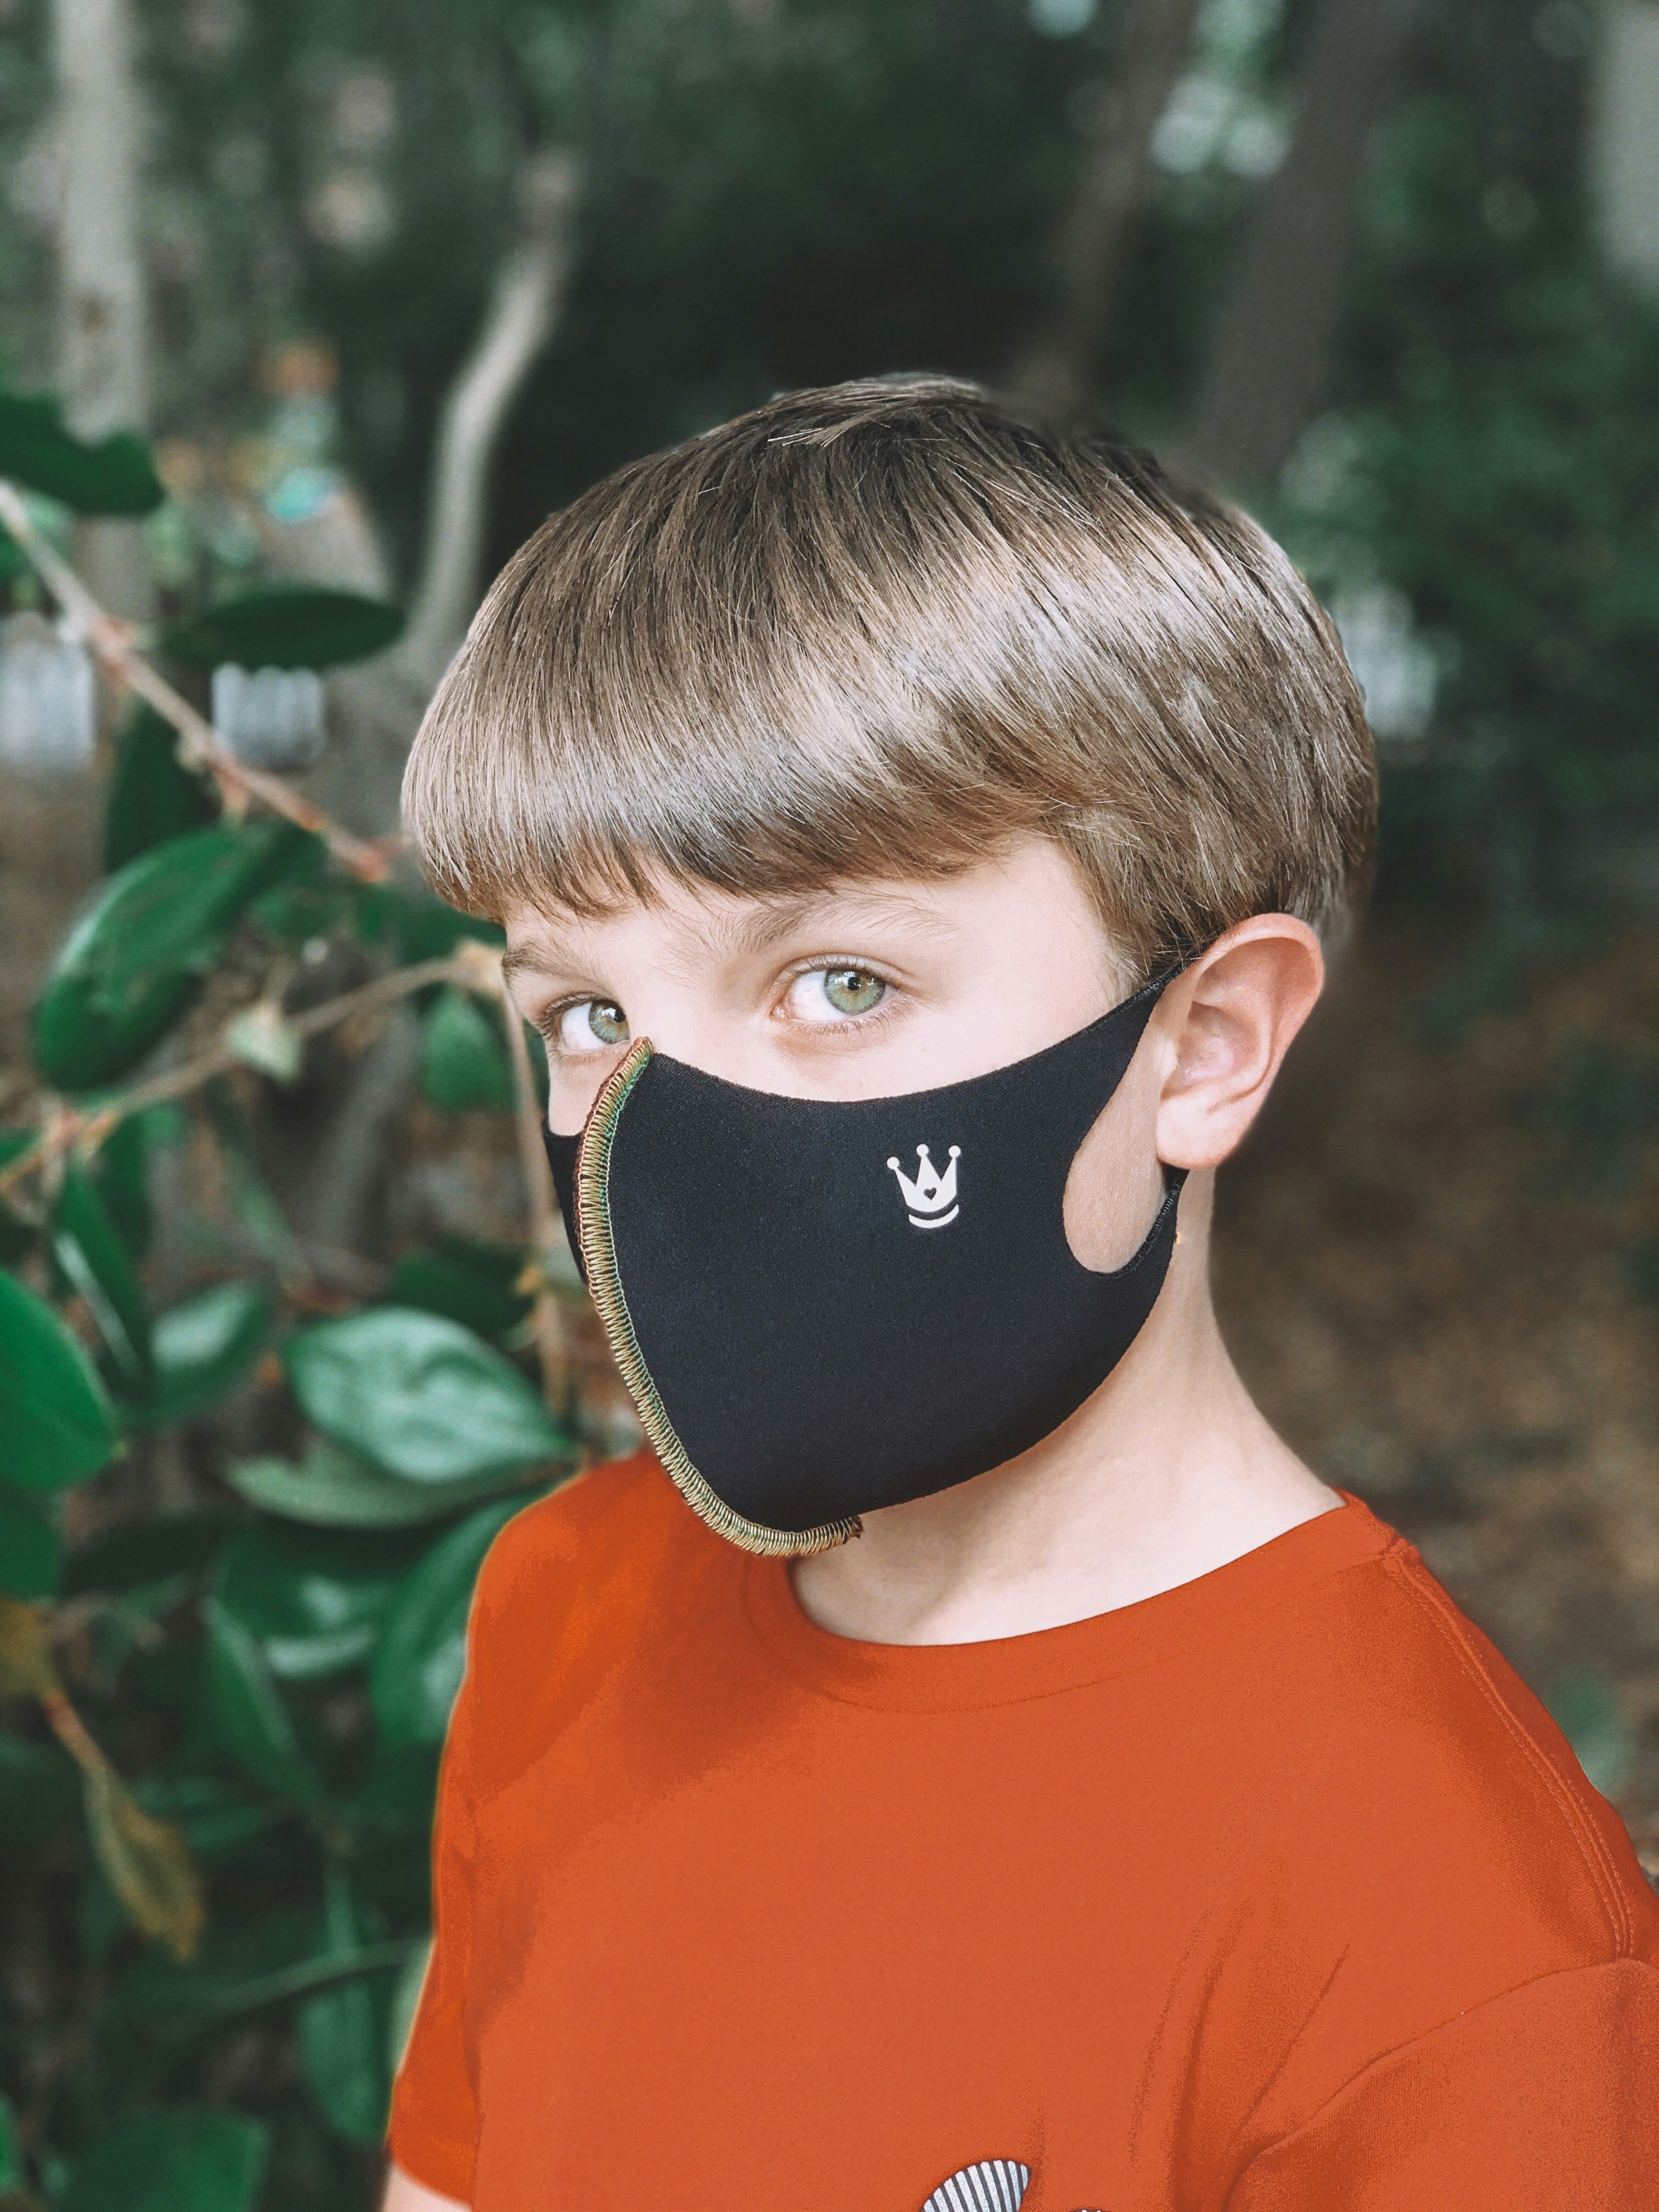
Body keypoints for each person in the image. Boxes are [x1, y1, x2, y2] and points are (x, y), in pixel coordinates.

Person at [381, 379, 1659, 2212]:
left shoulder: (1454, 1930)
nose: (667, 1137)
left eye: (839, 982)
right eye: (588, 1015)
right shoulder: (563, 1610)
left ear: (1202, 1046)